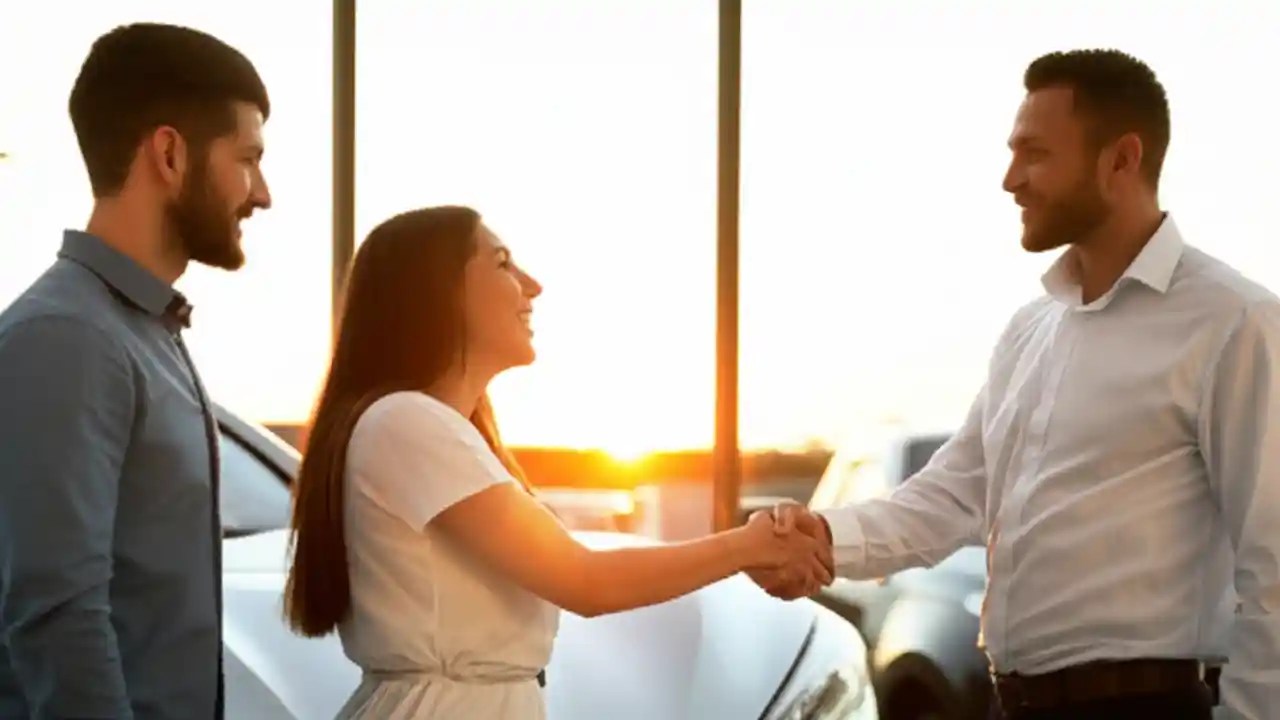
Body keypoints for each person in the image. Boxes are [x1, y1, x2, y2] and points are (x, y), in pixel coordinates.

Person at [762, 49, 1280, 720]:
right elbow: (953, 494)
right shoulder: (1029, 331)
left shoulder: (1234, 323)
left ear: (1122, 159)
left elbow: (1275, 567)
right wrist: (823, 538)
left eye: (1034, 154)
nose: (1011, 180)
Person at [282, 205, 833, 720]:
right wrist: (748, 545)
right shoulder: (407, 423)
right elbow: (585, 581)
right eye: (501, 263)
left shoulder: (426, 428)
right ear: (438, 292)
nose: (532, 286)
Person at [0, 23, 272, 719]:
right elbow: (56, 617)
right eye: (247, 158)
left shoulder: (144, 331)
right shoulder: (67, 338)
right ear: (171, 154)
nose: (262, 193)